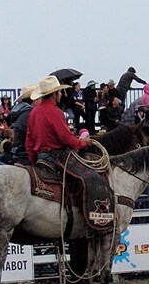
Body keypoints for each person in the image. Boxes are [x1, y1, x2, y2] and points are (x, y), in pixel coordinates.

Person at [26, 75, 104, 218]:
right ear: (54, 94)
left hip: (41, 158)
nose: (61, 94)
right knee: (88, 178)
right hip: (58, 157)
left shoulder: (34, 112)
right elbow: (66, 139)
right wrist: (83, 143)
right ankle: (86, 216)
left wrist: (34, 161)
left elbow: (29, 142)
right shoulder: (55, 112)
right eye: (59, 92)